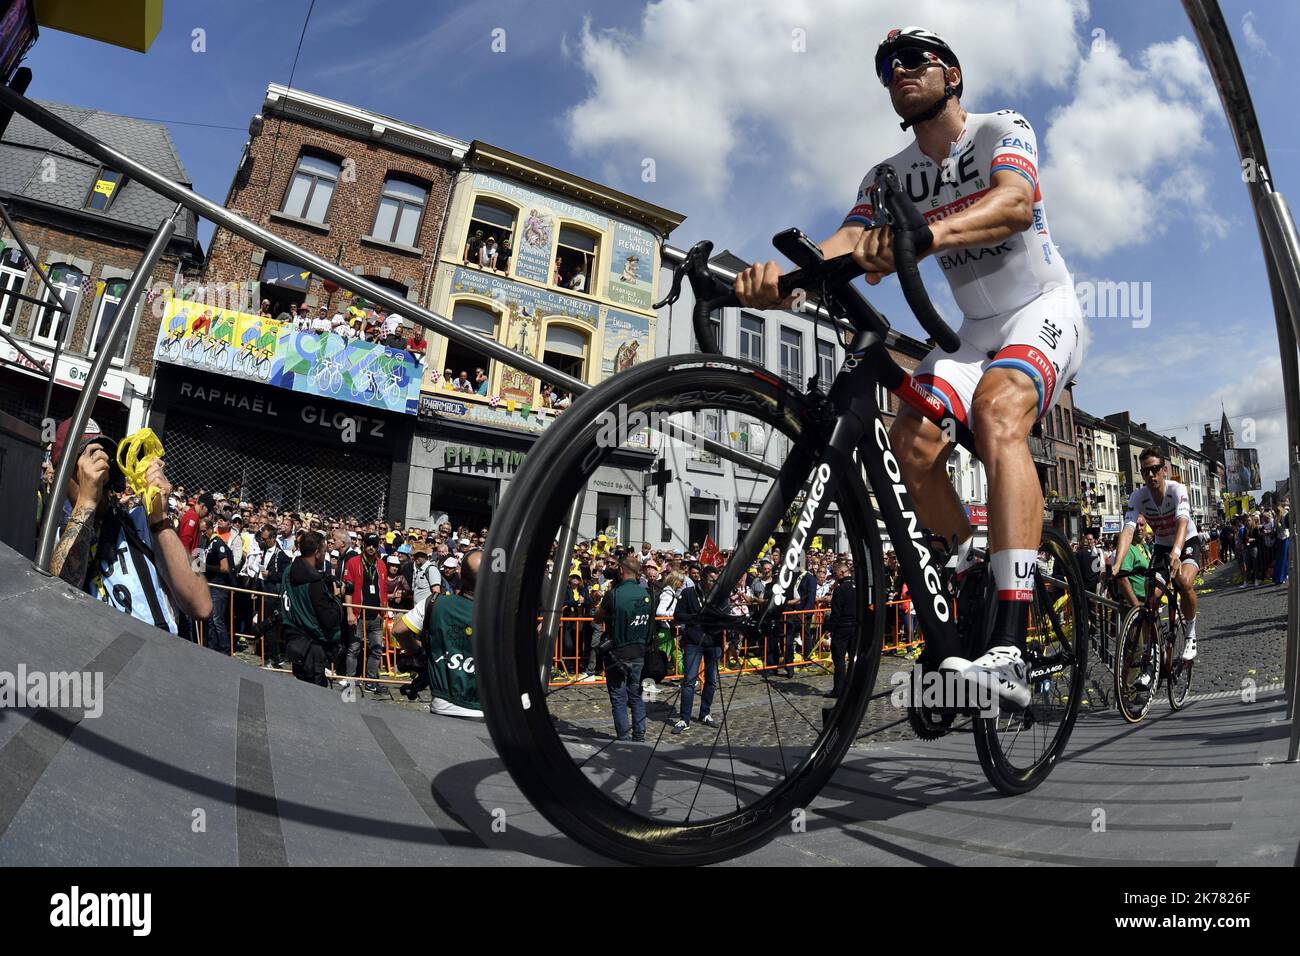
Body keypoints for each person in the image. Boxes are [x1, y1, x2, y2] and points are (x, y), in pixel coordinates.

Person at [733, 27, 1084, 709]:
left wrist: (925, 235)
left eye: (913, 59)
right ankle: (971, 578)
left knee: (996, 413)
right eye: (886, 67)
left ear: (952, 74)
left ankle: (1009, 645)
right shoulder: (887, 176)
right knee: (910, 445)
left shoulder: (999, 127)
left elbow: (1015, 203)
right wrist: (780, 280)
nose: (898, 71)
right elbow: (843, 242)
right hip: (972, 330)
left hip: (1043, 306)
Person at [1113, 446, 1201, 688]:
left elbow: (1182, 521)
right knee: (1151, 602)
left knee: (1183, 582)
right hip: (1162, 548)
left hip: (1186, 541)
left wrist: (1176, 552)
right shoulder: (1138, 497)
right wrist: (1117, 563)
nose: (1151, 475)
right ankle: (1150, 661)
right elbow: (1129, 529)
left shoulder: (1177, 489)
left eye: (1155, 469)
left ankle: (1191, 635)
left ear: (1164, 470)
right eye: (1145, 471)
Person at [391, 549, 484, 718]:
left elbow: (398, 630)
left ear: (460, 574)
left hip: (443, 705)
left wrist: (418, 653)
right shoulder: (503, 616)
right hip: (484, 709)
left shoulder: (434, 603)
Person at [593, 552, 652, 741]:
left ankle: (624, 738)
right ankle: (640, 734)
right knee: (636, 695)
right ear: (638, 573)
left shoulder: (614, 594)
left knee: (619, 698)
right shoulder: (647, 594)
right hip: (639, 651)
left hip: (617, 652)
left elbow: (598, 617)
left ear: (620, 570)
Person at [279, 530, 343, 687]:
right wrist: (336, 598)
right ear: (317, 553)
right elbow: (329, 620)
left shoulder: (289, 571)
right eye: (323, 552)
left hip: (296, 641)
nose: (324, 556)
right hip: (312, 648)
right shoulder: (314, 583)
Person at [671, 565, 723, 733]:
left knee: (711, 680)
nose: (714, 584)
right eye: (711, 580)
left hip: (714, 642)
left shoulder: (719, 595)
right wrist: (695, 617)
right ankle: (684, 719)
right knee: (689, 681)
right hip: (694, 642)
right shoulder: (688, 594)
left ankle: (705, 713)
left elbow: (726, 613)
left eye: (716, 581)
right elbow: (677, 615)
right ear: (702, 578)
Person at [342, 532, 391, 699]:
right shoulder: (353, 562)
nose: (371, 547)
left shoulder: (381, 565)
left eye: (374, 544)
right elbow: (348, 589)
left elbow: (383, 589)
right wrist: (350, 612)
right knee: (354, 648)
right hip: (358, 613)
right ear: (363, 544)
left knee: (377, 650)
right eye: (369, 544)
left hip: (376, 615)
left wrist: (383, 610)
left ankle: (370, 681)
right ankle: (350, 681)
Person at [824, 561, 857, 698]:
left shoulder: (840, 589)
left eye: (836, 574)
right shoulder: (858, 587)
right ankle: (854, 687)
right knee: (854, 659)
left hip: (842, 628)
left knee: (839, 660)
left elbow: (836, 612)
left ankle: (839, 689)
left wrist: (830, 628)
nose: (835, 577)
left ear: (842, 573)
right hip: (856, 627)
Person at [1115, 521, 1153, 608]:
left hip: (1146, 600)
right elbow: (1122, 578)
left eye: (1142, 525)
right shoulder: (1127, 548)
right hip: (1134, 604)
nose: (1139, 528)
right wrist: (1135, 604)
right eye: (1136, 525)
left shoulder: (1144, 547)